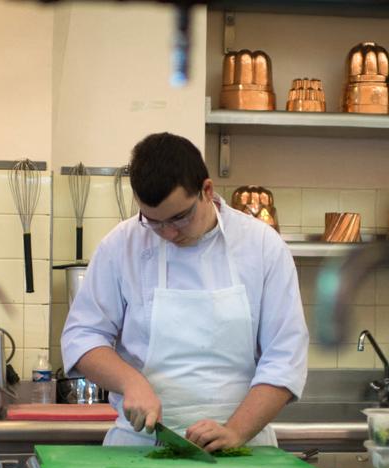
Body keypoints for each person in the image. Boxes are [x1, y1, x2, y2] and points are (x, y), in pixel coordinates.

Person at [61, 132, 308, 450]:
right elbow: (82, 336)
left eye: (179, 217)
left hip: (244, 448)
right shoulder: (121, 245)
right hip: (139, 445)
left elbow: (285, 357)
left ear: (207, 190)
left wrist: (235, 432)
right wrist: (130, 381)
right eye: (153, 221)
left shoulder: (262, 246)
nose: (168, 233)